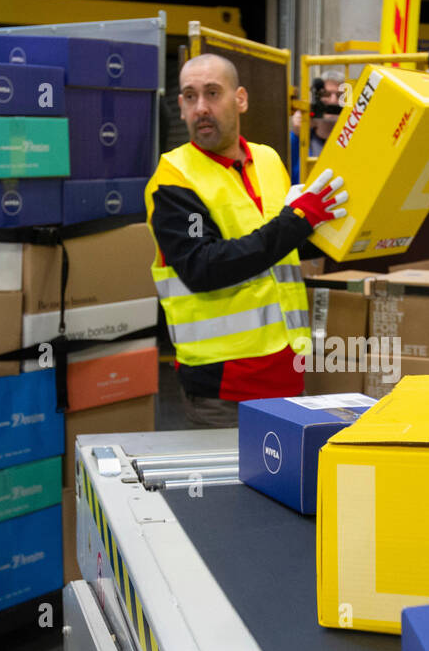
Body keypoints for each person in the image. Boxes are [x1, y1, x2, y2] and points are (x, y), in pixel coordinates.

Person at [145, 53, 348, 428]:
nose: (201, 107)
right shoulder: (173, 179)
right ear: (181, 107)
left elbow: (280, 246)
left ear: (240, 99)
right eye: (190, 97)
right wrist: (300, 219)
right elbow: (203, 266)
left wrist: (337, 230)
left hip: (288, 373)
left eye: (212, 93)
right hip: (223, 388)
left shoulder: (269, 160)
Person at [290, 70, 345, 182]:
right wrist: (296, 134)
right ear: (316, 100)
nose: (333, 101)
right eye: (326, 94)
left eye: (339, 96)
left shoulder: (355, 139)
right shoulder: (300, 140)